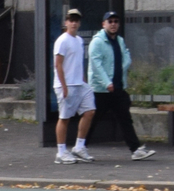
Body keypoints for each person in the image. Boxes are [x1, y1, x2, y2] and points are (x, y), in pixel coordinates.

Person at [90, 10, 151, 161]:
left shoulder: (119, 40)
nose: (113, 24)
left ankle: (135, 149)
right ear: (103, 24)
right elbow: (96, 65)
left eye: (115, 21)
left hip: (118, 88)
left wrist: (120, 76)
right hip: (101, 90)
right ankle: (79, 146)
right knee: (92, 119)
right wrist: (107, 82)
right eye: (110, 21)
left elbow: (126, 56)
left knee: (125, 119)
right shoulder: (97, 42)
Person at [51, 9, 94, 164]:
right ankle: (61, 152)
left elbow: (78, 63)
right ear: (66, 22)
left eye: (76, 20)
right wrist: (64, 87)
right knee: (65, 118)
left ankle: (79, 147)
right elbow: (58, 65)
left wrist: (84, 81)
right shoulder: (62, 41)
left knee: (89, 111)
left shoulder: (79, 40)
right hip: (66, 85)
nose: (74, 23)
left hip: (79, 84)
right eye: (71, 20)